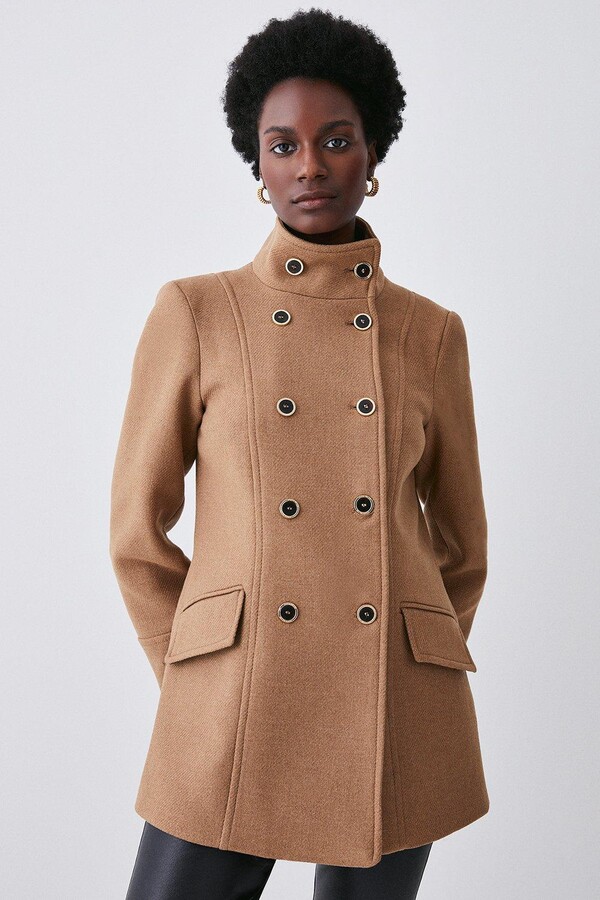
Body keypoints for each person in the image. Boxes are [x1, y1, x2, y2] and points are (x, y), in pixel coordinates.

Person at [110, 8, 489, 899]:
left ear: (373, 155)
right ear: (258, 164)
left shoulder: (430, 333)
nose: (310, 166)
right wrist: (200, 671)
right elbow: (136, 532)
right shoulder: (197, 312)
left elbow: (463, 545)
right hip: (235, 701)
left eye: (336, 141)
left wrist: (402, 661)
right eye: (283, 145)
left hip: (393, 712)